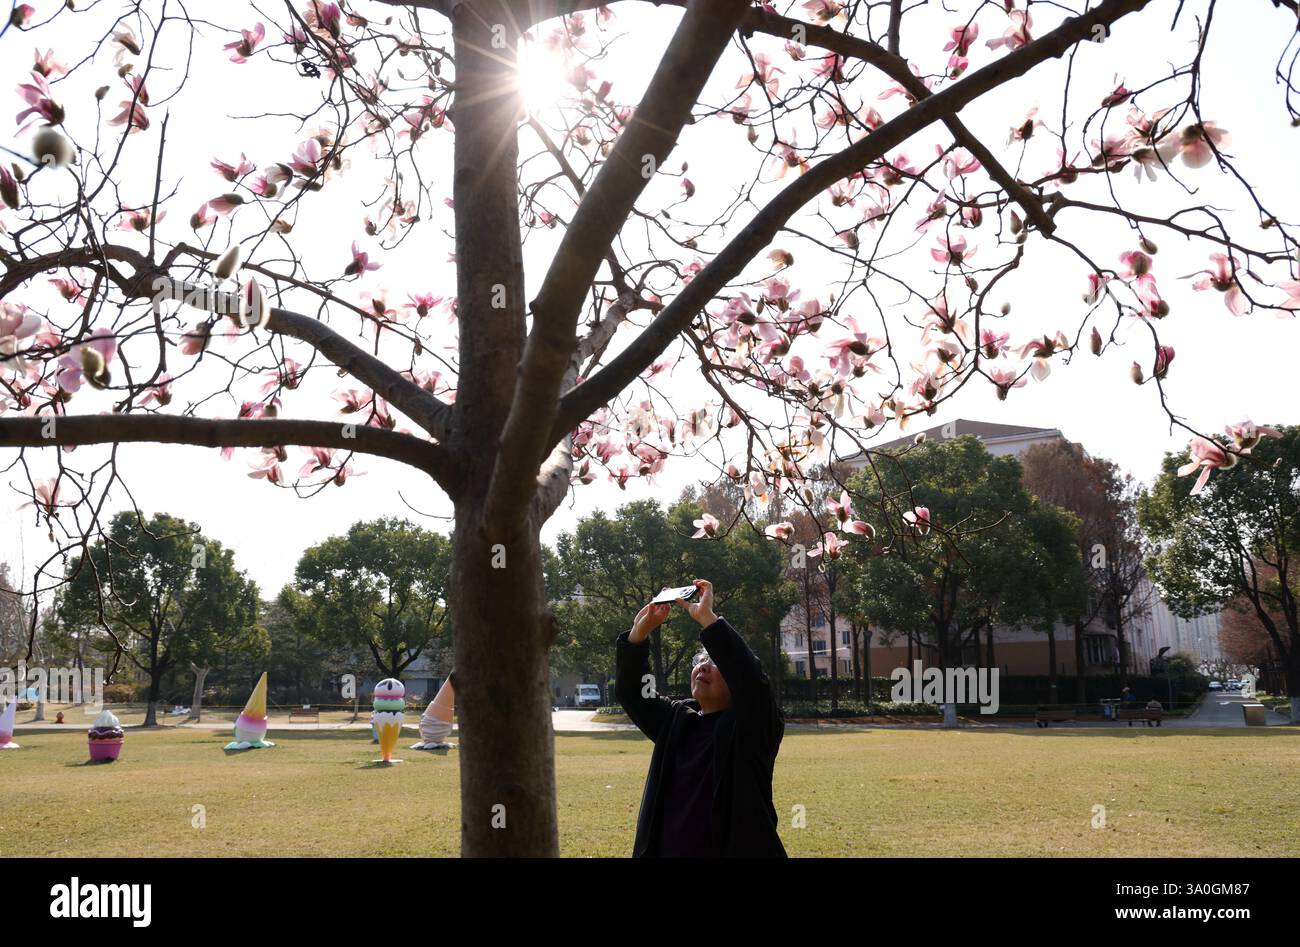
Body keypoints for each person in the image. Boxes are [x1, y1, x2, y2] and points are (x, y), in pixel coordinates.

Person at [615, 578, 786, 858]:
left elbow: (753, 682)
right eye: (699, 661)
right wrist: (638, 635)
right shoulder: (675, 720)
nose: (704, 667)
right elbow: (633, 692)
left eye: (715, 663)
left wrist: (708, 619)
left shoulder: (753, 728)